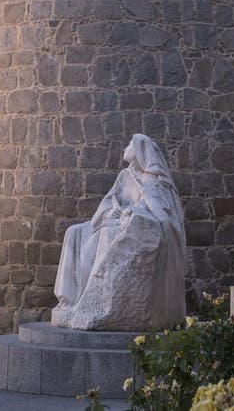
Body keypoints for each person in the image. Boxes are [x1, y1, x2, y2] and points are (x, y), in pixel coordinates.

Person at [52, 134, 186, 331]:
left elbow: (159, 213)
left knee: (108, 235)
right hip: (111, 221)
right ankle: (69, 300)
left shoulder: (155, 182)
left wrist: (129, 212)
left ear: (140, 151)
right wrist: (108, 212)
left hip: (130, 226)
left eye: (130, 144)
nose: (126, 147)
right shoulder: (125, 176)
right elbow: (109, 201)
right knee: (74, 231)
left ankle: (98, 300)